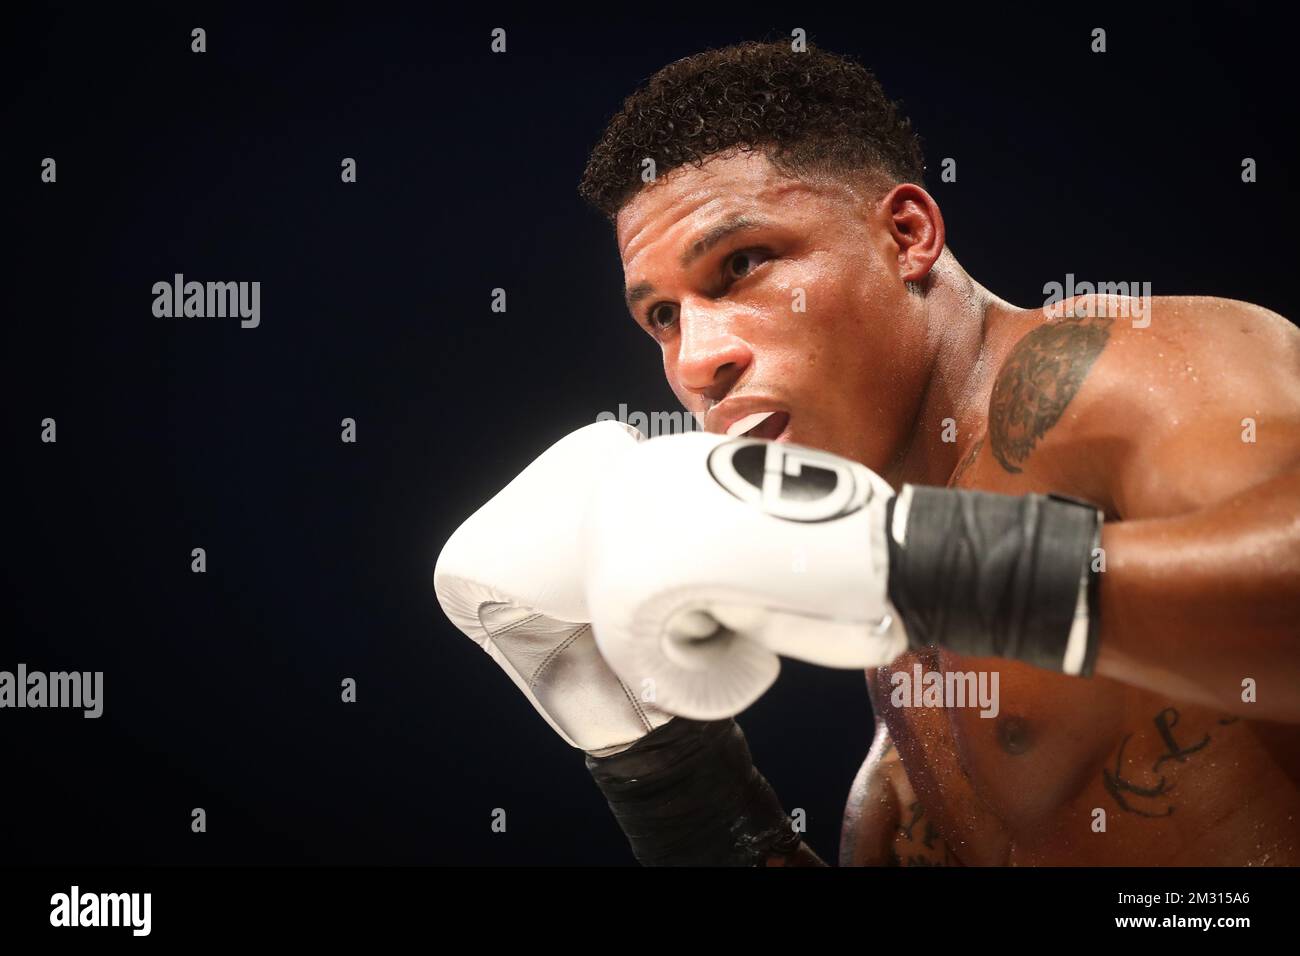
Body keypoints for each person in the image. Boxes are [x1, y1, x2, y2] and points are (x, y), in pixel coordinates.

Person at [437, 40, 1300, 866]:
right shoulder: (891, 645)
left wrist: (910, 563)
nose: (698, 362)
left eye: (741, 264)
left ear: (908, 234)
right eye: (662, 316)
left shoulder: (1114, 369)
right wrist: (670, 771)